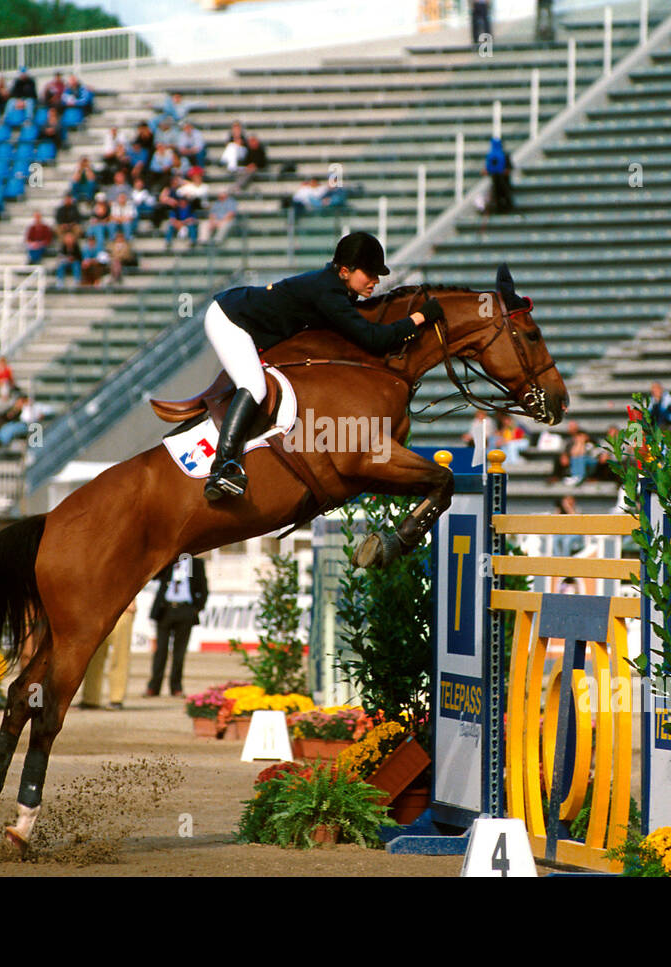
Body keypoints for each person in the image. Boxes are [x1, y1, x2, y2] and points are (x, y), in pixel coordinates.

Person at [200, 231, 438, 500]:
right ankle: (221, 469)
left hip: (251, 323)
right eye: (370, 273)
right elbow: (374, 339)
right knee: (255, 386)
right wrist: (418, 318)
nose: (375, 280)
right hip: (230, 320)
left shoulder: (336, 288)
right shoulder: (328, 292)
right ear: (345, 271)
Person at [146, 554, 208, 698]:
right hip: (165, 610)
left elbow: (203, 589)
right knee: (160, 651)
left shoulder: (195, 565)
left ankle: (176, 687)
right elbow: (154, 576)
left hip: (185, 610)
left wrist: (195, 609)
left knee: (179, 652)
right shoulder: (167, 561)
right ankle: (154, 686)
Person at [80, 600, 137, 710]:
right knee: (94, 656)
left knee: (120, 656)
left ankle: (116, 698)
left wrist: (131, 600)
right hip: (97, 607)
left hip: (122, 607)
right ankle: (90, 698)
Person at [484, 137, 514, 214]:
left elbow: (509, 168)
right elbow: (488, 168)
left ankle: (509, 209)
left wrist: (504, 171)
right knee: (497, 195)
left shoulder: (505, 155)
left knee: (506, 195)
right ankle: (499, 210)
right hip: (495, 180)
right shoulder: (491, 156)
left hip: (504, 180)